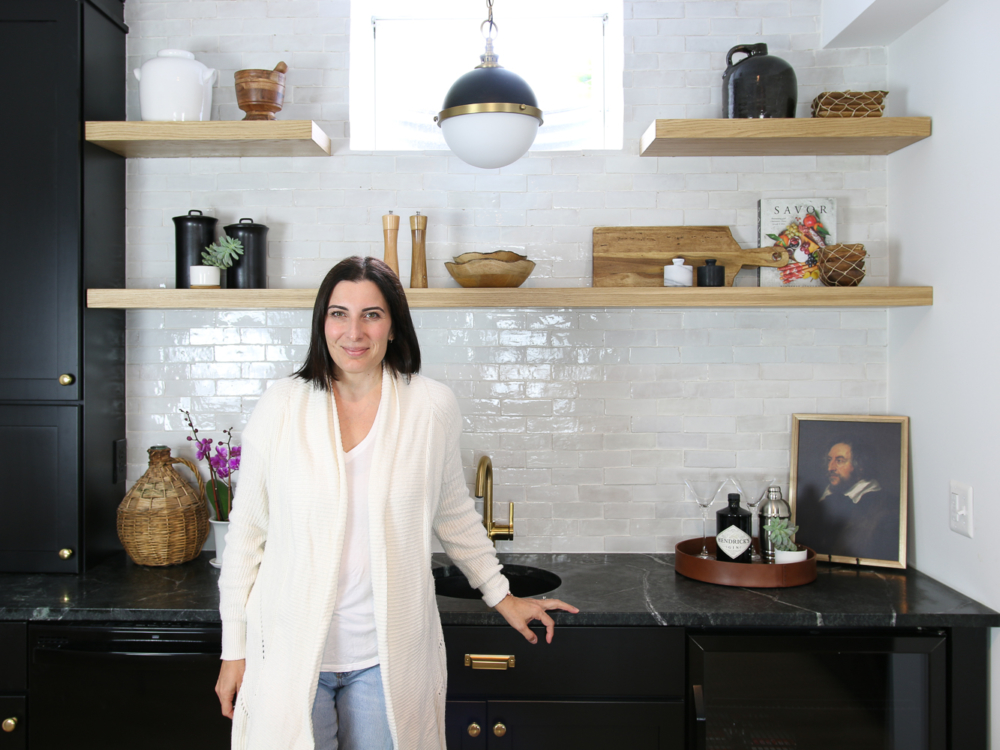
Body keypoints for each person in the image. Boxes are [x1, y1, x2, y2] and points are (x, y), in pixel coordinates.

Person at [214, 256, 578, 750]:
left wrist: (502, 595)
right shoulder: (281, 406)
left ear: (393, 325)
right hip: (288, 653)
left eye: (372, 314)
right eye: (339, 314)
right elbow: (246, 536)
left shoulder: (430, 406)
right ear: (322, 322)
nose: (354, 332)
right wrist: (233, 651)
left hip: (386, 661)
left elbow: (454, 514)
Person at [795, 436, 900, 561]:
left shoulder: (884, 506)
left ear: (860, 466)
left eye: (839, 461)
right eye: (829, 460)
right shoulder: (825, 499)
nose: (830, 468)